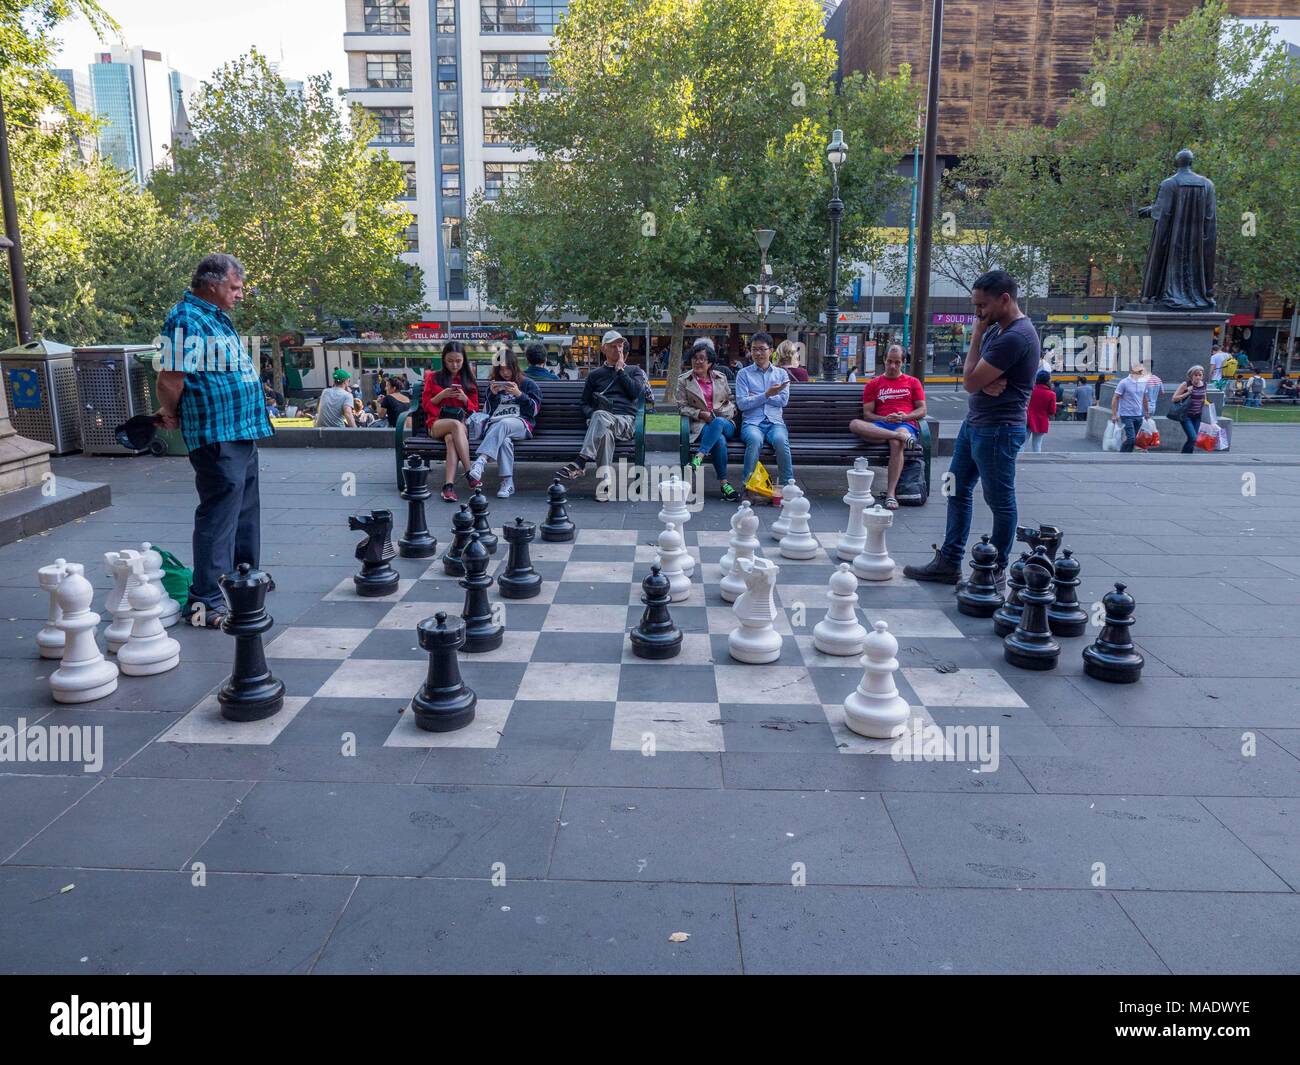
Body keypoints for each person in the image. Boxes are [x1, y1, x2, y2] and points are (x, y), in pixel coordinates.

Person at [154, 253, 273, 628]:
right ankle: (204, 600)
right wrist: (171, 413)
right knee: (219, 513)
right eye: (235, 287)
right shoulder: (185, 319)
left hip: (239, 429)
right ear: (212, 284)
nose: (240, 294)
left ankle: (244, 577)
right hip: (214, 431)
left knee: (244, 508)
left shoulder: (215, 317)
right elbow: (170, 378)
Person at [904, 269, 1038, 586]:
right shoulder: (998, 329)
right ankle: (950, 560)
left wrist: (977, 343)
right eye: (976, 307)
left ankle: (995, 570)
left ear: (1005, 299)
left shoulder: (1014, 336)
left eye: (982, 306)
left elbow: (969, 380)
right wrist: (979, 379)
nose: (977, 314)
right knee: (955, 487)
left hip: (998, 430)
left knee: (1000, 501)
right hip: (975, 424)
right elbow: (976, 378)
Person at [555, 330, 653, 482]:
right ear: (603, 349)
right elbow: (584, 403)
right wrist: (592, 415)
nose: (618, 349)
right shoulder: (595, 375)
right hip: (601, 423)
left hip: (625, 422)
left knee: (600, 416)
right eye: (613, 346)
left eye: (620, 345)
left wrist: (620, 371)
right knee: (605, 434)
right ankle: (605, 485)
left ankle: (581, 461)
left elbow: (635, 393)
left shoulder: (634, 371)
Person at [848, 343, 925, 509]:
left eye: (897, 362)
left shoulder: (913, 382)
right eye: (889, 361)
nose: (892, 366)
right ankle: (900, 437)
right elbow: (867, 414)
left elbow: (922, 410)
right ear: (884, 360)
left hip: (904, 424)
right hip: (881, 425)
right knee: (855, 424)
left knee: (897, 442)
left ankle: (891, 494)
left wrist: (906, 416)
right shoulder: (874, 384)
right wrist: (885, 418)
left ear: (903, 362)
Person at [466, 348, 541, 498]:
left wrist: (519, 395)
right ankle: (507, 483)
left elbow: (534, 411)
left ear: (515, 367)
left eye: (508, 369)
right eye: (501, 370)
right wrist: (492, 395)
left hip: (521, 424)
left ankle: (481, 461)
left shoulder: (528, 384)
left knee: (505, 423)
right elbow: (488, 413)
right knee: (505, 441)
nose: (505, 373)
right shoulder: (494, 385)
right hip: (497, 427)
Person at [677, 341, 740, 502]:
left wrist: (720, 413)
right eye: (695, 358)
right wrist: (700, 414)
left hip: (725, 422)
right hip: (702, 424)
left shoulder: (721, 378)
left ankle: (699, 455)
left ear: (710, 362)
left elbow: (730, 401)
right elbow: (682, 407)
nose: (698, 362)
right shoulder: (684, 380)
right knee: (719, 440)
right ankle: (725, 484)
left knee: (718, 423)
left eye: (702, 359)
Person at [734, 331, 793, 499]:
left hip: (775, 422)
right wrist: (767, 394)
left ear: (771, 351)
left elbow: (783, 400)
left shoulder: (781, 374)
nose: (758, 353)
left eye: (762, 349)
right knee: (754, 440)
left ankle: (788, 486)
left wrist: (757, 396)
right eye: (754, 349)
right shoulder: (743, 374)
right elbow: (743, 404)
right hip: (752, 423)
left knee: (781, 441)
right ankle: (748, 487)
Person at [421, 341, 480, 502]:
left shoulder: (468, 379)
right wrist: (442, 395)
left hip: (461, 427)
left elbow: (475, 410)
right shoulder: (433, 377)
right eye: (450, 361)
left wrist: (465, 399)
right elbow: (426, 405)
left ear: (464, 360)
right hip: (437, 423)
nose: (454, 365)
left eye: (458, 361)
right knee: (455, 425)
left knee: (451, 439)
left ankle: (448, 487)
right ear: (444, 360)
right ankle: (469, 472)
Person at [1110, 362, 1149, 453]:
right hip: (1126, 415)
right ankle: (1123, 454)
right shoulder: (1124, 382)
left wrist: (1146, 412)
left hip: (1138, 415)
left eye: (1142, 371)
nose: (1141, 373)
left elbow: (1144, 398)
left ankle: (1126, 455)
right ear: (1132, 371)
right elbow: (1115, 398)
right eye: (1139, 371)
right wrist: (1114, 414)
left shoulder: (1143, 382)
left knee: (1133, 438)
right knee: (1131, 439)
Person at [1170, 365, 1208, 454]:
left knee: (1193, 439)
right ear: (1191, 376)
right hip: (1186, 416)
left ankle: (1188, 457)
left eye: (1200, 375)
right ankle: (1184, 455)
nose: (1198, 377)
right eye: (1196, 375)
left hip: (1197, 416)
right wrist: (1187, 392)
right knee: (1193, 437)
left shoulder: (1204, 385)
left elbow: (1204, 398)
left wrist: (1206, 405)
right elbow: (1174, 398)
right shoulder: (1185, 384)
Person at [1027, 370, 1057, 453]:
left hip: (1027, 419)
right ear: (1047, 381)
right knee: (1037, 444)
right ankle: (1037, 463)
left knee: (1023, 443)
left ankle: (1020, 461)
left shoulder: (1030, 390)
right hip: (1041, 421)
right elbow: (1052, 411)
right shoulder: (1051, 394)